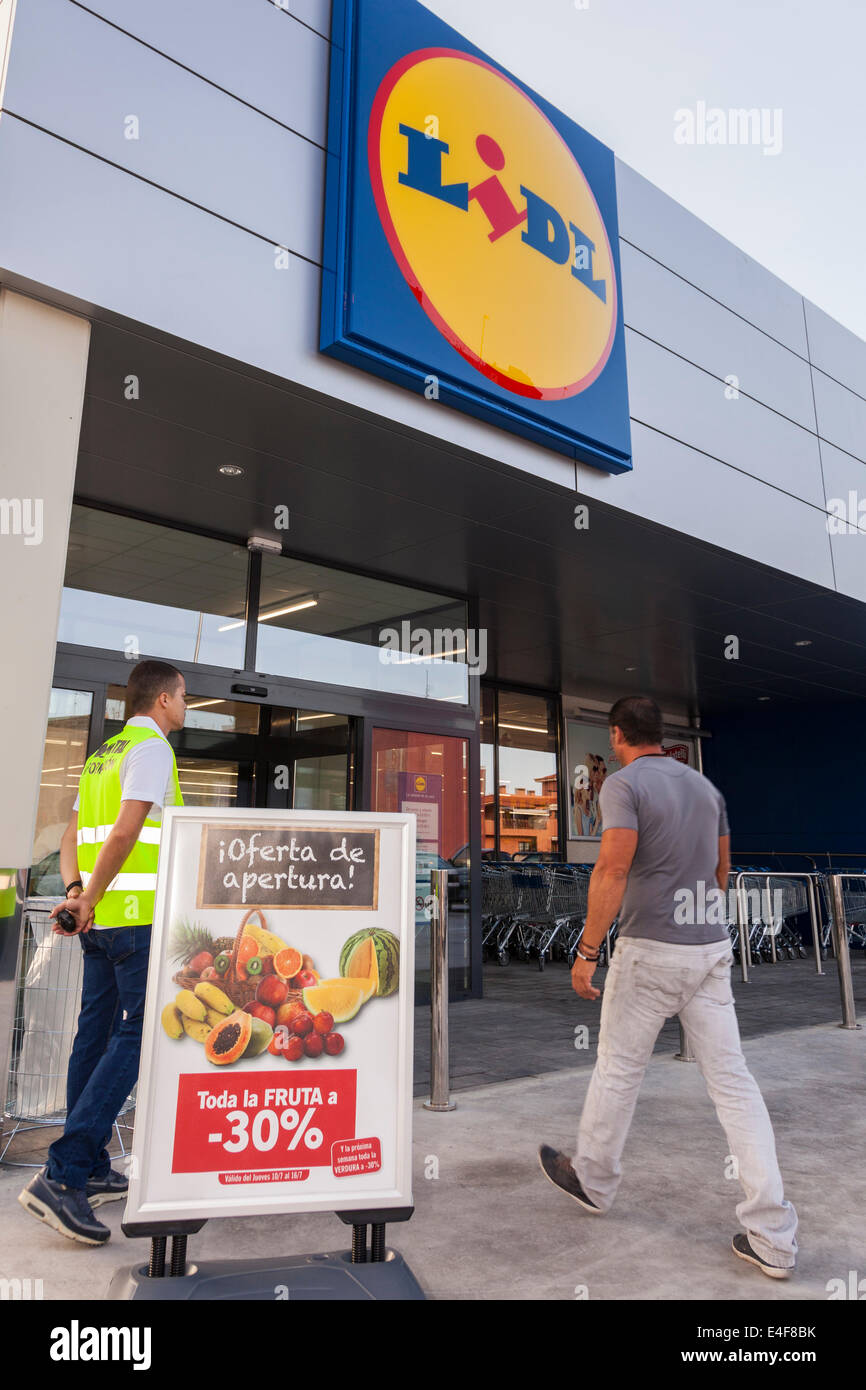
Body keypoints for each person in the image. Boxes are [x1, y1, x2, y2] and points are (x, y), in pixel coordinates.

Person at [539, 694, 798, 1278]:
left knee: (619, 1068)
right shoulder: (706, 791)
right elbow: (721, 873)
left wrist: (585, 952)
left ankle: (596, 1181)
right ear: (662, 734)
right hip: (709, 949)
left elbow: (612, 867)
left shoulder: (623, 786)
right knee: (733, 1083)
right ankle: (773, 1235)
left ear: (617, 737)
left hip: (649, 951)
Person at [19, 660, 186, 1245]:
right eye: (183, 697)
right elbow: (124, 832)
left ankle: (89, 1169)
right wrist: (88, 897)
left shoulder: (101, 757)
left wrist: (76, 896)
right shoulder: (151, 749)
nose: (185, 706)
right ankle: (62, 1175)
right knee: (136, 1037)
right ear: (163, 700)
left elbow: (72, 839)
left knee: (93, 1038)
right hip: (136, 922)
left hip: (100, 925)